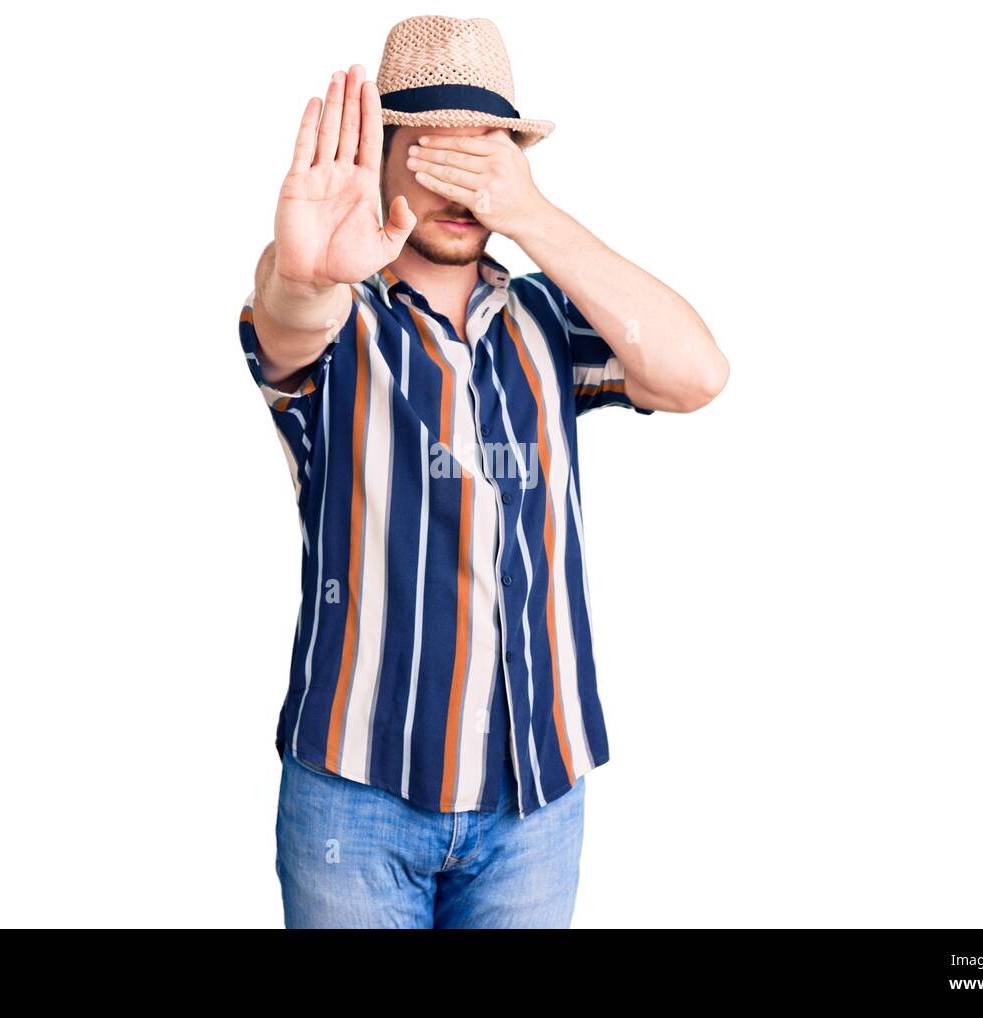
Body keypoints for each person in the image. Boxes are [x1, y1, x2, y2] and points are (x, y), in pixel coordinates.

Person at [237, 15, 729, 928]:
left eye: (485, 159)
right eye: (431, 156)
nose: (459, 188)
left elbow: (696, 374)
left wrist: (533, 217)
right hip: (356, 796)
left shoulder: (549, 317)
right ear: (383, 158)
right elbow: (285, 316)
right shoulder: (342, 321)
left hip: (536, 803)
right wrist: (303, 275)